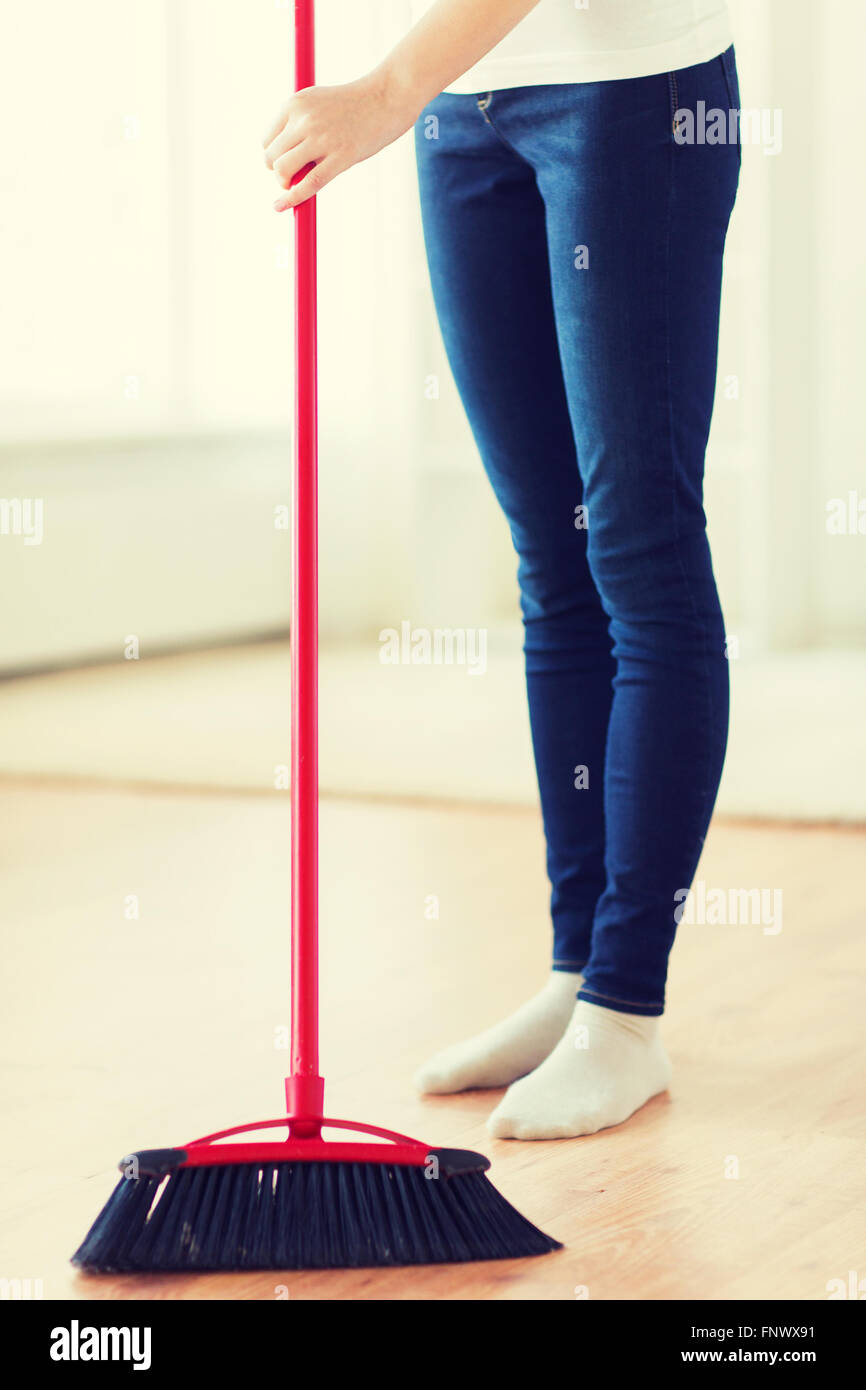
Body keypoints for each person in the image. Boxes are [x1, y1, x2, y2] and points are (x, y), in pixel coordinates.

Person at [264, 0, 741, 1140]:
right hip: (460, 99)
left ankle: (625, 1011)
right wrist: (410, 91)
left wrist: (382, 90)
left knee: (639, 552)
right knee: (553, 553)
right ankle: (576, 970)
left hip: (630, 90)